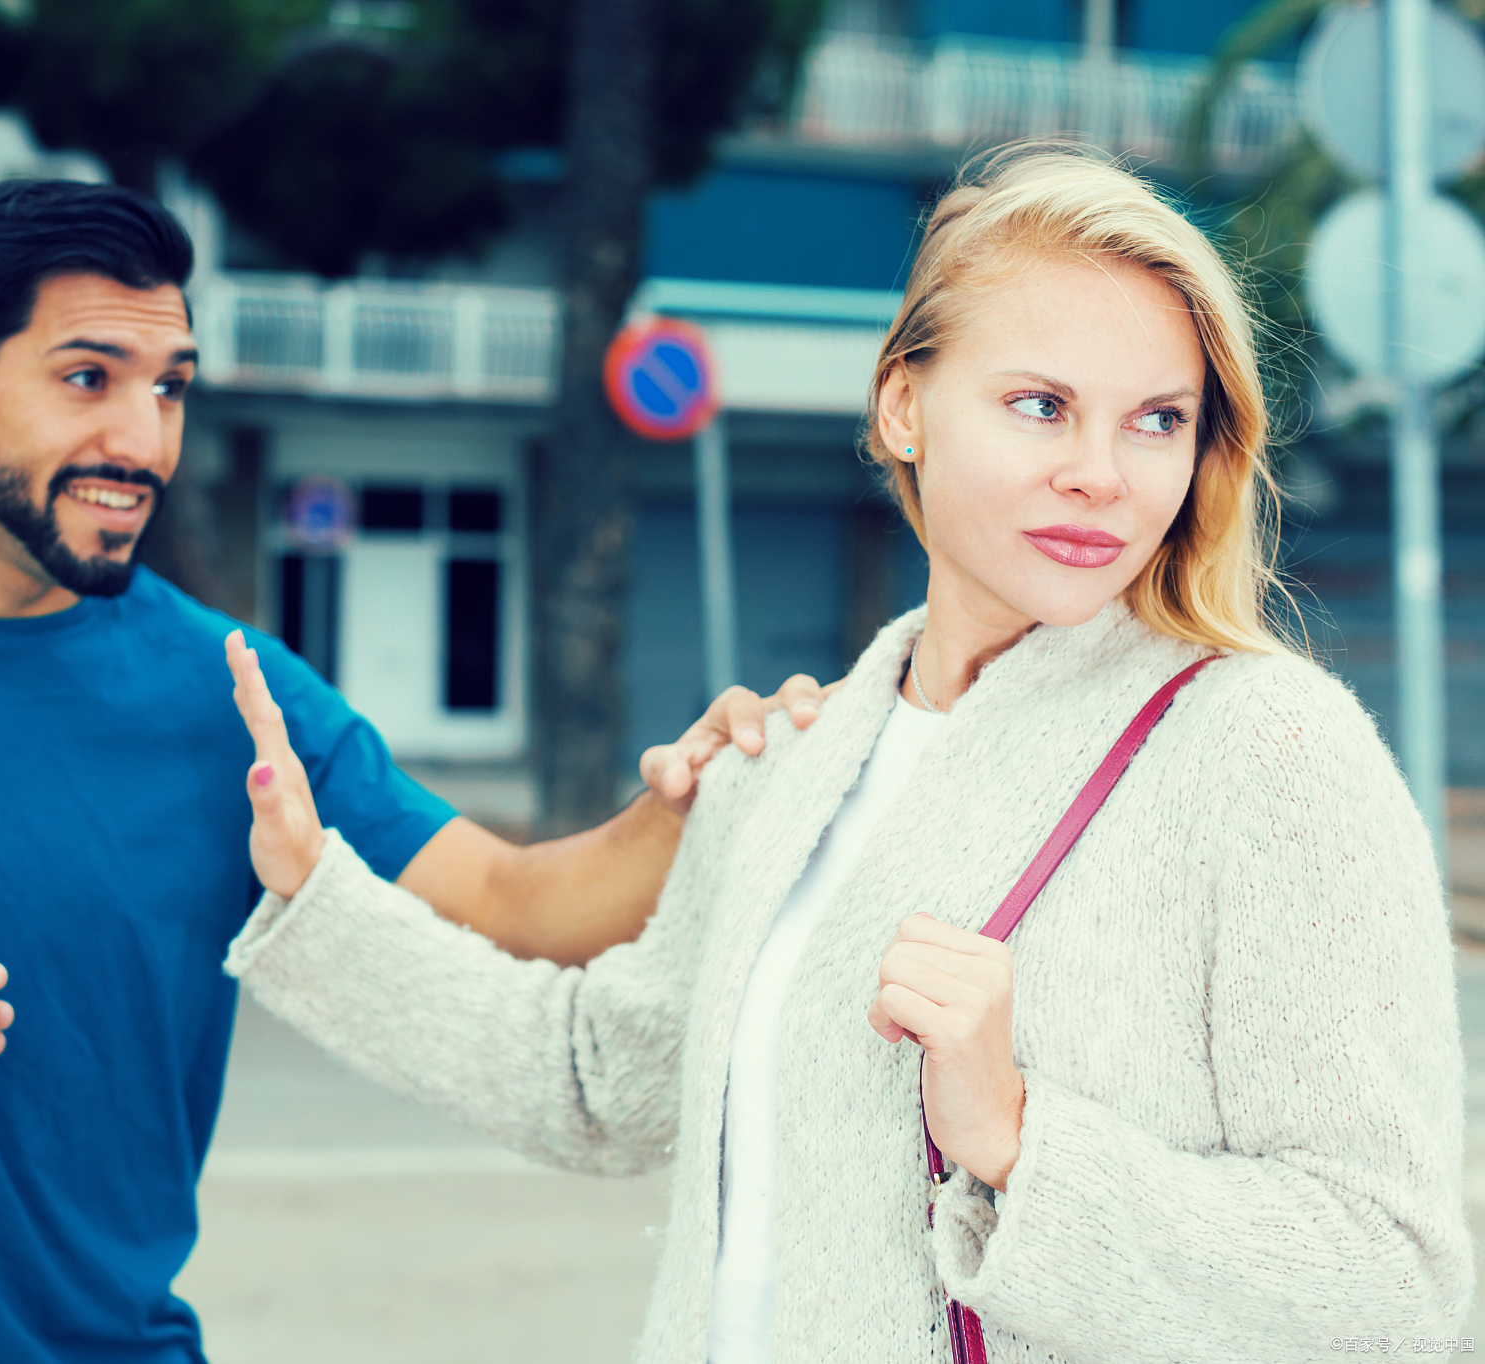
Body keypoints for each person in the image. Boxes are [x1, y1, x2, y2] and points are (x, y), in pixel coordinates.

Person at [0, 178, 825, 1363]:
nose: (145, 439)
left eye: (171, 384)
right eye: (89, 379)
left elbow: (526, 903)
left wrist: (692, 805)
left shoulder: (224, 692)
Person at [222, 143, 1473, 1363]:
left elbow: (1395, 1282)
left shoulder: (1265, 748)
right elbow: (600, 1075)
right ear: (903, 405)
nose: (1098, 474)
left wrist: (1023, 1141)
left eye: (1155, 420)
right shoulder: (798, 749)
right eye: (1038, 405)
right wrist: (317, 901)